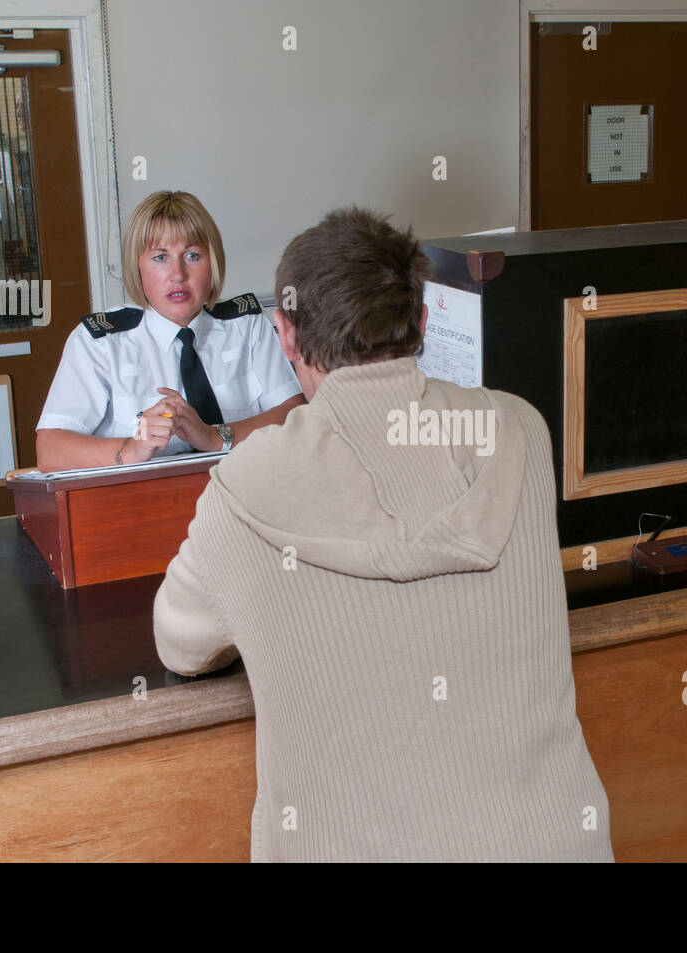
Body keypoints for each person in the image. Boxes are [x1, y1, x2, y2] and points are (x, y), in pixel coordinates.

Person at [153, 207, 613, 862]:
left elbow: (179, 643)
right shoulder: (519, 430)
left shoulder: (241, 486)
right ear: (423, 323)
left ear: (285, 335)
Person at [35, 191, 303, 471]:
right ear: (136, 266)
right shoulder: (100, 343)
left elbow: (294, 417)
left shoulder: (247, 325)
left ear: (212, 263)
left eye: (192, 255)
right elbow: (50, 450)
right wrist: (135, 447)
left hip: (246, 493)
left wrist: (214, 437)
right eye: (160, 257)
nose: (178, 274)